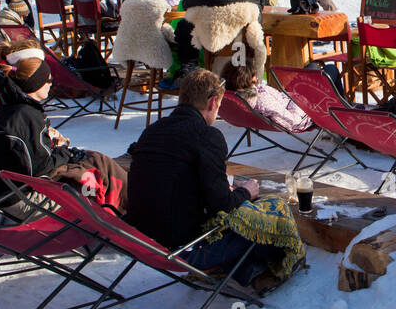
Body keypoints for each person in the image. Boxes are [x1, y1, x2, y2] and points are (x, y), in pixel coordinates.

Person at [125, 67, 301, 287]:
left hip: (141, 238)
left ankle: (251, 273)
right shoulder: (207, 135)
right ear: (211, 102)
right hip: (185, 249)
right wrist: (246, 191)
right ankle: (262, 268)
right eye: (218, 106)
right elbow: (223, 205)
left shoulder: (152, 130)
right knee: (272, 214)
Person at [0, 42, 127, 211]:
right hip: (22, 200)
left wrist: (49, 142)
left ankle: (127, 200)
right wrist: (62, 147)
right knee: (95, 174)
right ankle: (127, 209)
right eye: (48, 79)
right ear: (36, 83)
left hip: (0, 193)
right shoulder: (26, 115)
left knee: (97, 160)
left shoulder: (4, 108)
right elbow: (43, 170)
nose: (51, 83)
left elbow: (25, 155)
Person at [222, 61, 314, 136]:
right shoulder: (262, 100)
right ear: (248, 79)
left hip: (288, 99)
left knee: (312, 67)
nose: (256, 78)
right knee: (317, 70)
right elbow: (293, 122)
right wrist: (300, 98)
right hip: (303, 111)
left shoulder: (229, 96)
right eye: (254, 75)